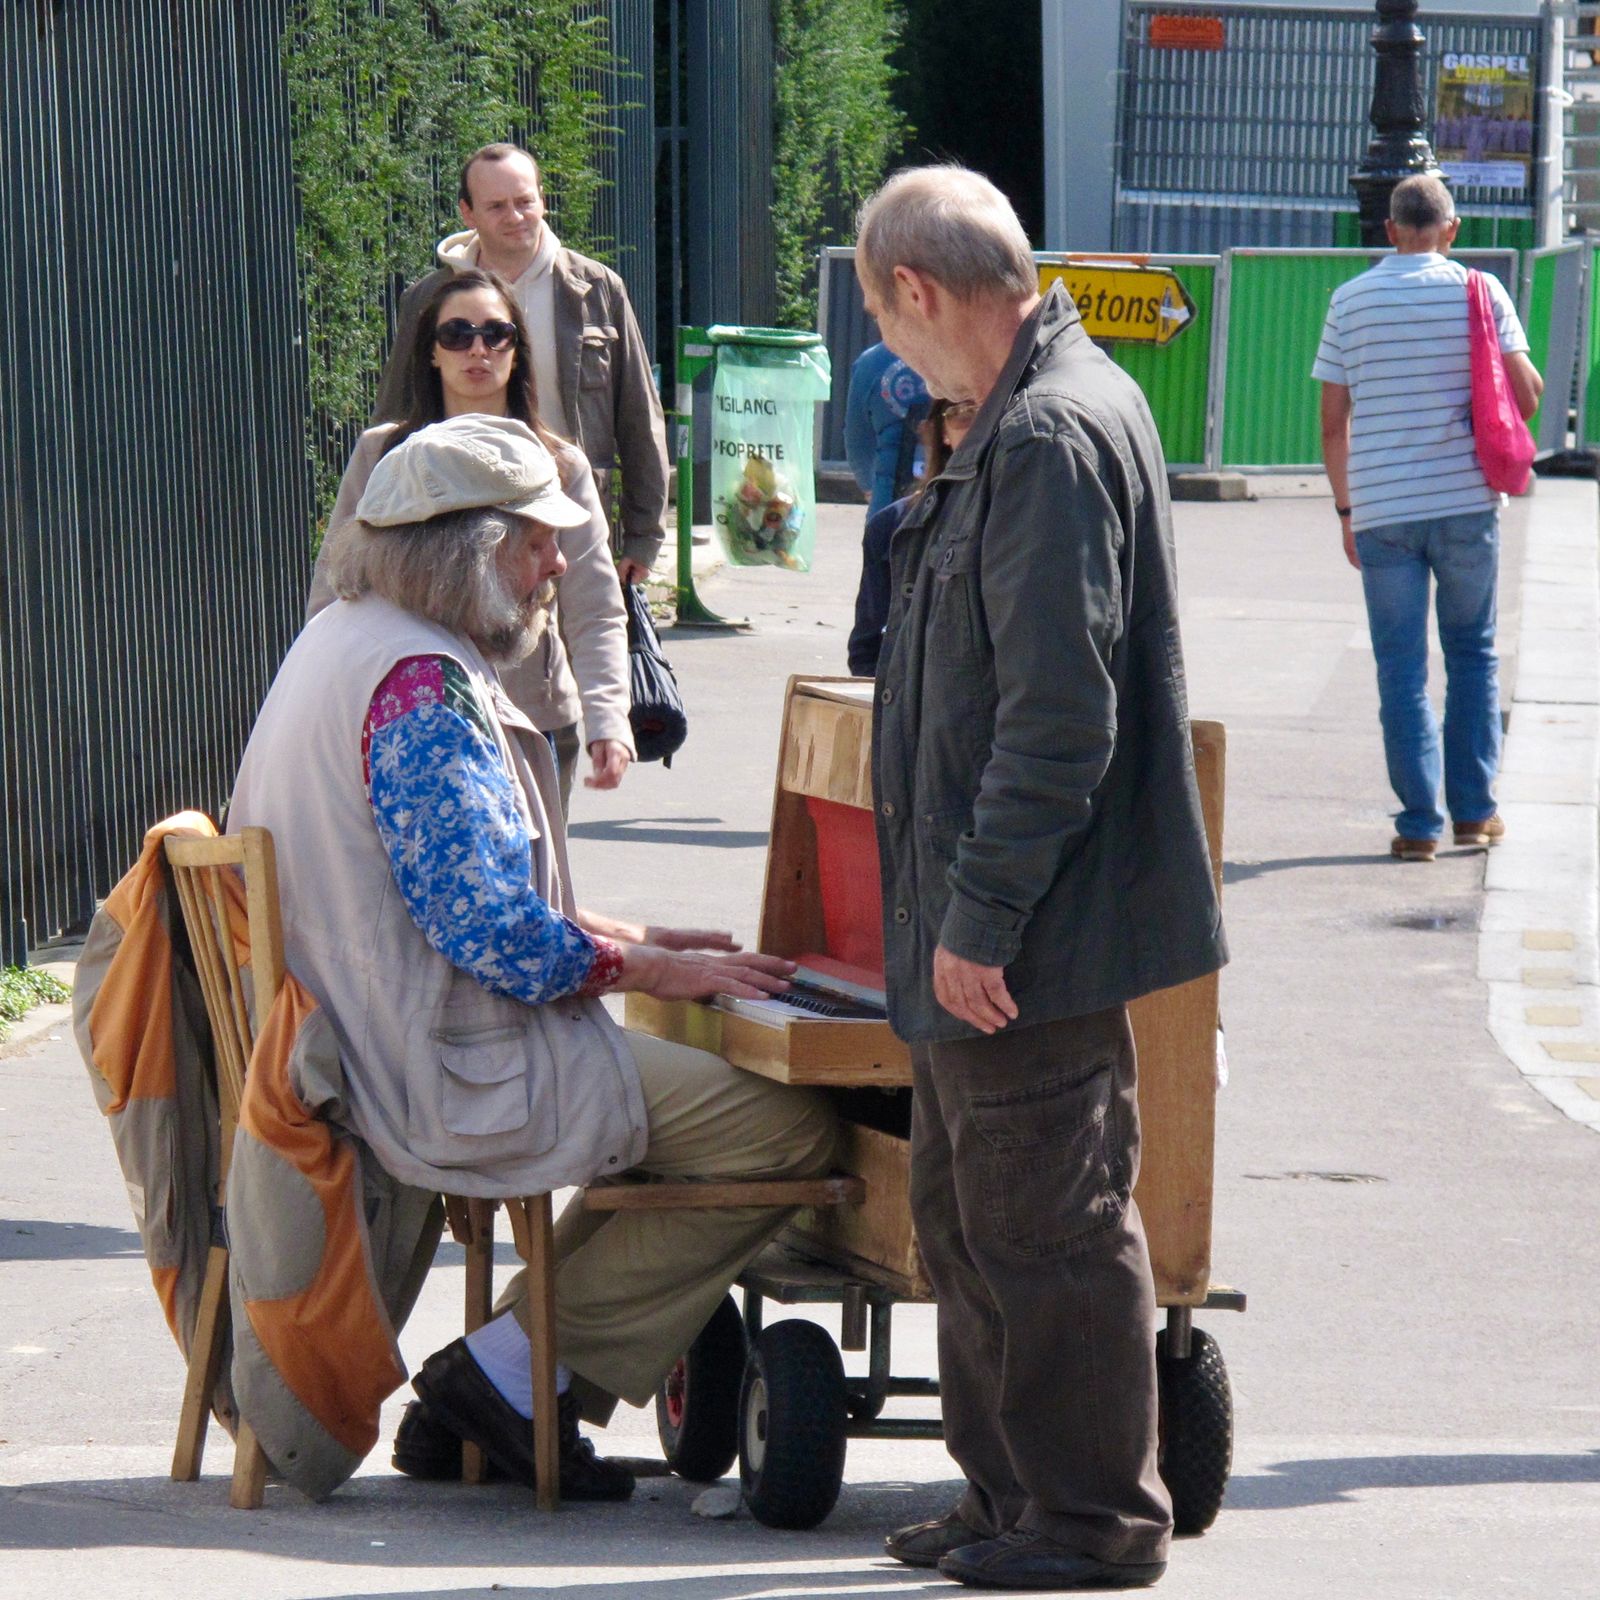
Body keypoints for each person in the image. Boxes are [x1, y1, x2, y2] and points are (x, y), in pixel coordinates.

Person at [230, 415, 834, 1501]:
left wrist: (629, 938)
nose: (560, 564)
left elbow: (436, 885)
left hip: (380, 1025)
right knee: (787, 1128)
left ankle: (514, 1375)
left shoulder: (342, 634)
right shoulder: (420, 684)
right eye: (537, 541)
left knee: (686, 1112)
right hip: (436, 1057)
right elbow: (493, 933)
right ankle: (509, 1378)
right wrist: (657, 974)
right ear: (468, 552)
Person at [854, 166, 1226, 1591]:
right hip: (990, 919)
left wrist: (980, 919)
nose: (892, 356)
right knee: (972, 1216)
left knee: (1047, 1224)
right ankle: (1012, 1496)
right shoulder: (1037, 411)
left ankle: (1086, 1521)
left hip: (1025, 933)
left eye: (888, 325)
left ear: (922, 293)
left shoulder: (1051, 433)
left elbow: (1061, 720)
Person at [308, 268, 632, 815]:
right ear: (431, 352)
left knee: (531, 882)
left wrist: (608, 716)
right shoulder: (384, 455)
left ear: (517, 349)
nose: (476, 349)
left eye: (495, 333)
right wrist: (322, 695)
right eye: (456, 334)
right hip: (408, 709)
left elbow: (595, 605)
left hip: (530, 713)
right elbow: (337, 587)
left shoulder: (559, 463)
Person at [1315, 173, 1542, 862]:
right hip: (1465, 502)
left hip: (1383, 509)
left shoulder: (1349, 302)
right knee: (1472, 651)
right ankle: (1474, 813)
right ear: (1453, 229)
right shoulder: (1481, 292)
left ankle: (1419, 823)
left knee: (1401, 668)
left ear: (1389, 230)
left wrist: (1348, 509)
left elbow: (1332, 425)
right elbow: (1526, 398)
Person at [374, 142, 668, 585]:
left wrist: (644, 537)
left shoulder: (596, 289)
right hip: (459, 513)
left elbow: (639, 416)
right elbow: (398, 409)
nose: (515, 217)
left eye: (525, 202)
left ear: (542, 201)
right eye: (496, 206)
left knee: (575, 639)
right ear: (468, 213)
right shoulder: (429, 299)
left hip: (570, 509)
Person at [847, 397, 973, 677]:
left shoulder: (1023, 522)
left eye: (990, 411)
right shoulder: (892, 527)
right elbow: (867, 650)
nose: (981, 425)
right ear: (941, 431)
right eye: (965, 412)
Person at [844, 338, 930, 521]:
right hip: (948, 497)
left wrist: (868, 485)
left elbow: (856, 439)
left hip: (888, 500)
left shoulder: (870, 362)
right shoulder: (956, 350)